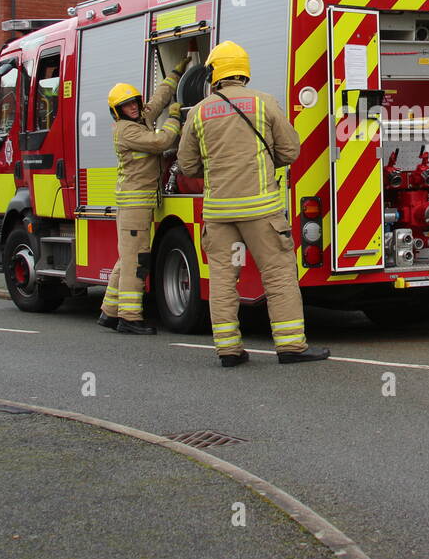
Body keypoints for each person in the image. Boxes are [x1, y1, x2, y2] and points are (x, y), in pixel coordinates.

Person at [177, 41, 329, 367]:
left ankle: (228, 351)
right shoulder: (264, 103)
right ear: (243, 70)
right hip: (261, 211)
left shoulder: (200, 111)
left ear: (214, 72)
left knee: (221, 280)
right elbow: (290, 151)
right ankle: (290, 346)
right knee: (278, 275)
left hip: (218, 214)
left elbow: (187, 166)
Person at [99, 55, 190, 334]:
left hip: (137, 206)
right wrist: (175, 118)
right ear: (118, 112)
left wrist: (177, 70)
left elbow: (158, 99)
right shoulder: (128, 131)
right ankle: (130, 318)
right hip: (135, 206)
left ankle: (109, 312)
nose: (133, 108)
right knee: (137, 261)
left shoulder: (138, 119)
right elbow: (162, 141)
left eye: (134, 103)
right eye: (126, 106)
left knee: (126, 259)